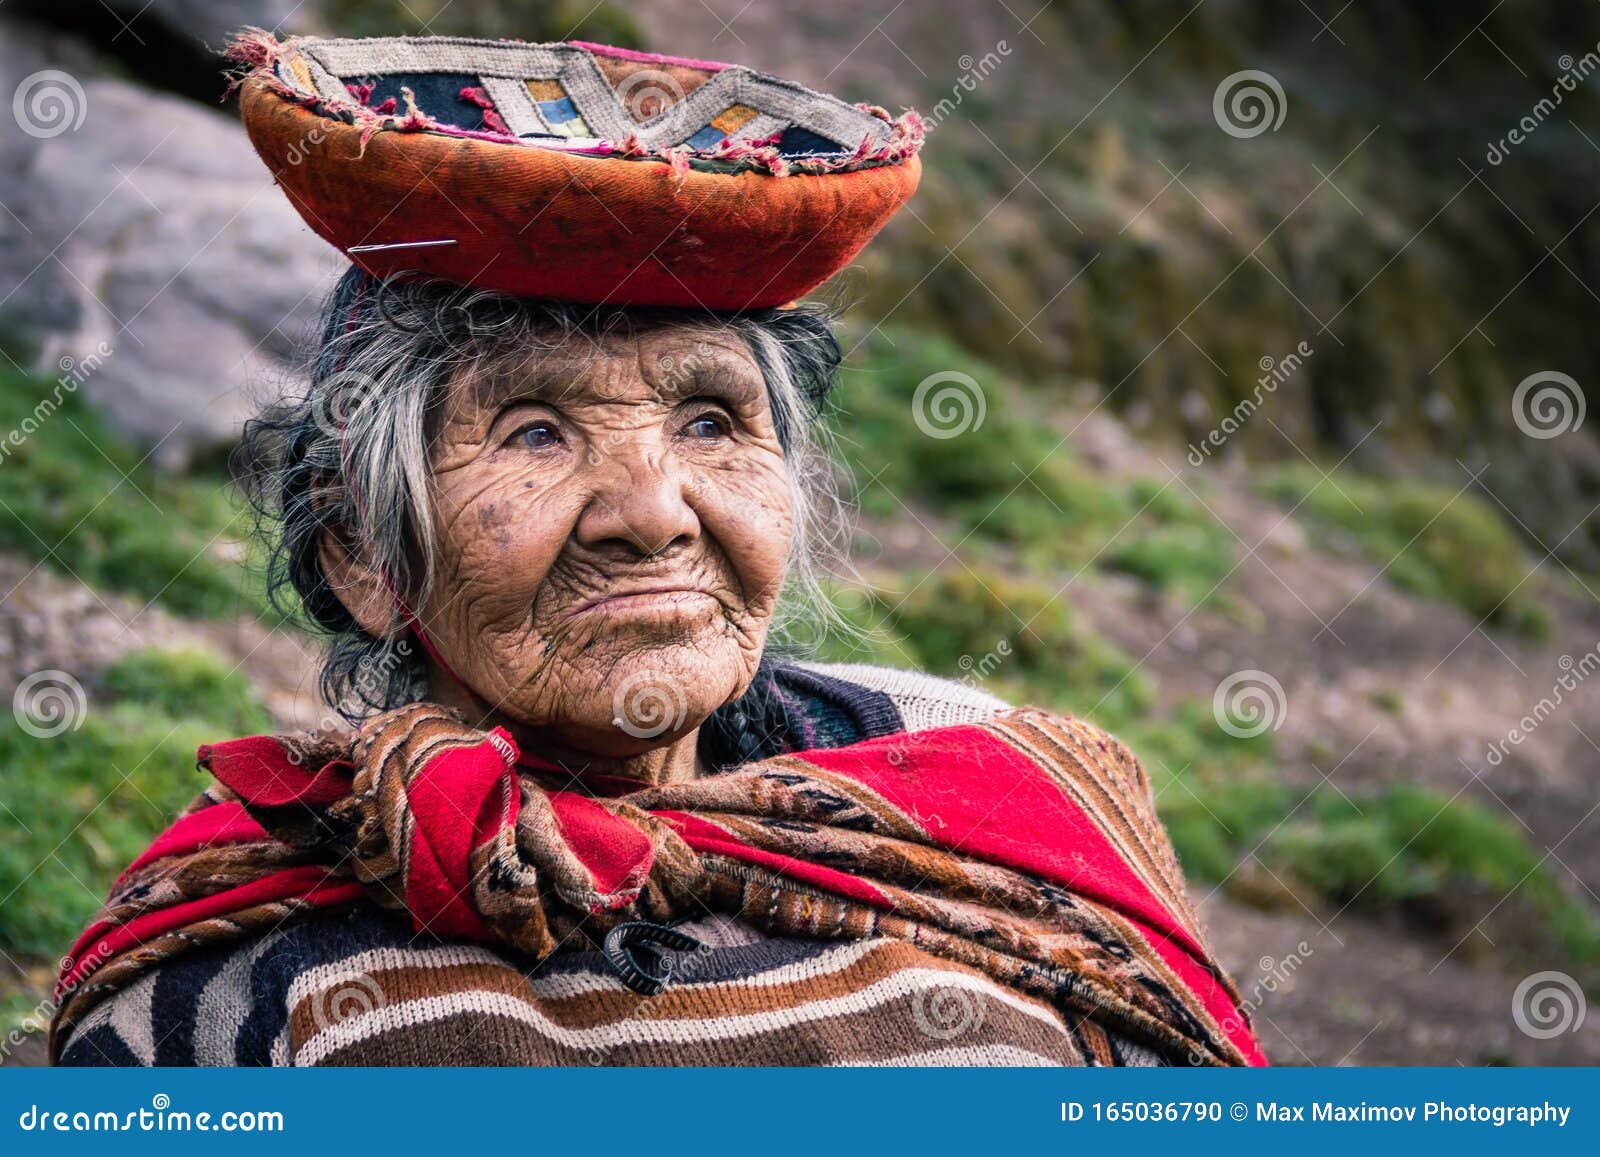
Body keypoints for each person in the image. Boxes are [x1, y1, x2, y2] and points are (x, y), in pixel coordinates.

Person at [51, 29, 1264, 1068]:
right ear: (366, 551)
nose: (653, 510)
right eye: (532, 429)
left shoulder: (1012, 809)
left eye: (708, 419)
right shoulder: (215, 983)